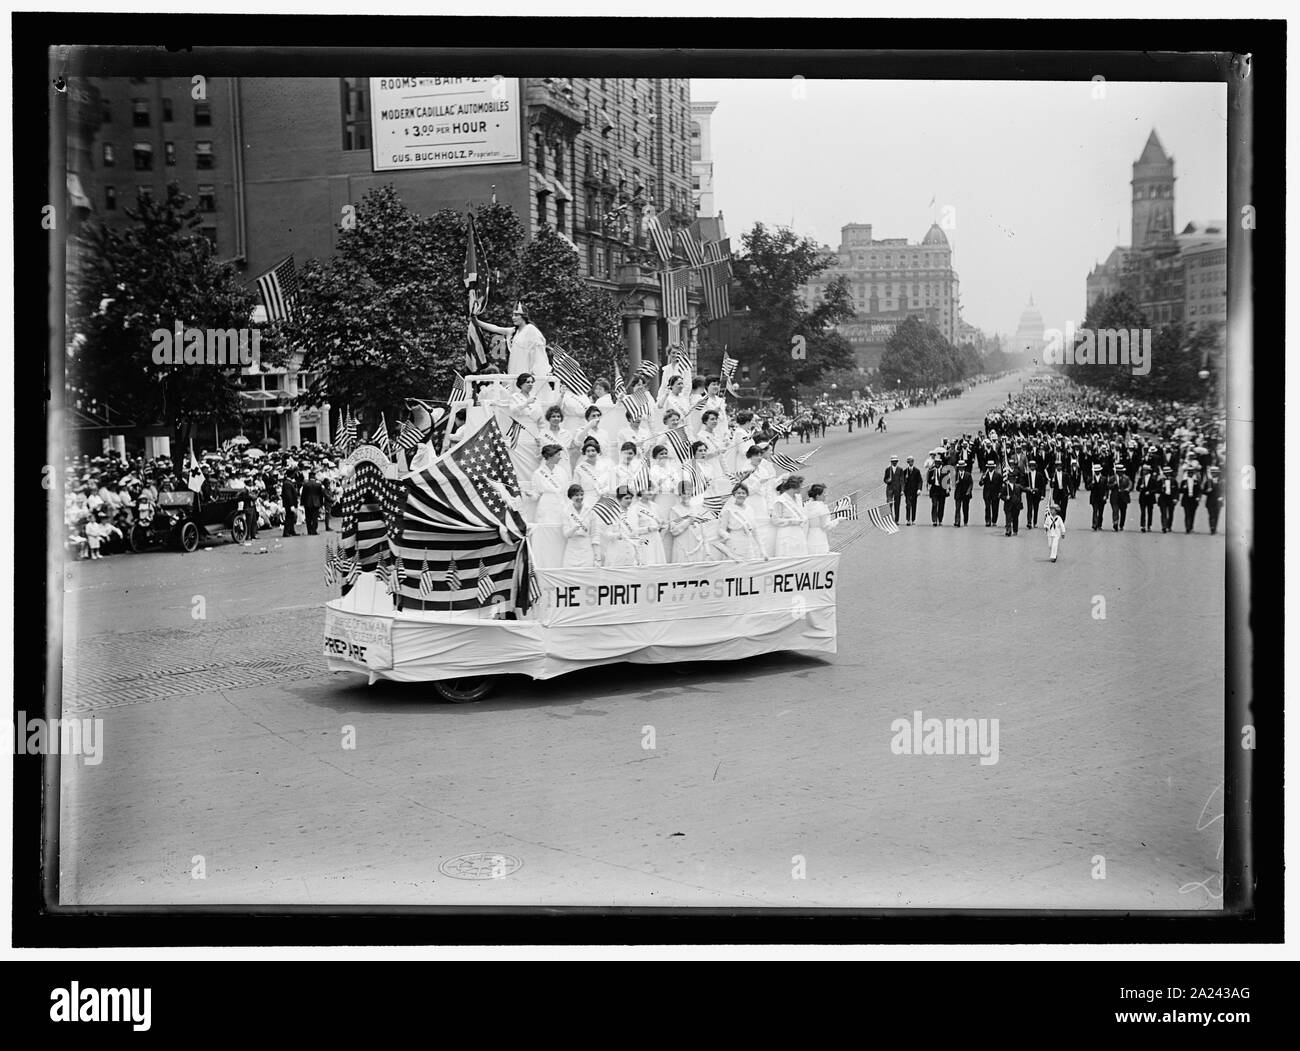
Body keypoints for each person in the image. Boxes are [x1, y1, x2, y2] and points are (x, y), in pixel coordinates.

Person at [477, 302, 551, 378]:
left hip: (526, 368)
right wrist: (476, 321)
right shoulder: (513, 331)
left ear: (523, 316)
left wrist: (536, 371)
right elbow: (495, 328)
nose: (513, 318)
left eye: (516, 315)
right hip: (514, 367)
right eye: (512, 315)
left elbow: (538, 352)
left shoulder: (531, 330)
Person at [717, 483, 768, 560]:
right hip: (734, 543)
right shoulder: (729, 510)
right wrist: (726, 536)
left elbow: (755, 531)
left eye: (743, 493)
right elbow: (721, 529)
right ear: (734, 495)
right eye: (738, 493)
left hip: (748, 543)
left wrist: (762, 550)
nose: (741, 495)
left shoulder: (750, 509)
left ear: (747, 495)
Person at [593, 487, 637, 567]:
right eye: (626, 498)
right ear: (619, 499)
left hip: (630, 552)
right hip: (616, 553)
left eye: (630, 498)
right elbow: (607, 534)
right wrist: (617, 535)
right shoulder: (612, 513)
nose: (629, 501)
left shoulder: (633, 513)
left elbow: (635, 533)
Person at [668, 481, 711, 564]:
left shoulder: (697, 509)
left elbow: (703, 530)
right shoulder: (675, 510)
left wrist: (707, 549)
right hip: (682, 547)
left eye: (689, 493)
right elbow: (674, 530)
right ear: (680, 494)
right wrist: (688, 521)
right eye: (684, 493)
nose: (686, 496)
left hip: (696, 546)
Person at [769, 476, 808, 557]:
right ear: (794, 486)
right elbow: (775, 520)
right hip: (786, 533)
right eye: (800, 486)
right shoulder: (780, 500)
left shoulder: (798, 498)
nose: (801, 488)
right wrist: (791, 521)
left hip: (798, 532)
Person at [628, 488, 667, 566]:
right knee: (648, 564)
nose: (650, 492)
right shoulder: (635, 508)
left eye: (651, 489)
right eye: (647, 490)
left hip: (656, 540)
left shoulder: (655, 506)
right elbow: (633, 530)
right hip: (645, 541)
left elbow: (663, 522)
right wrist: (648, 529)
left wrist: (661, 526)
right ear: (640, 491)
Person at [561, 484, 596, 568]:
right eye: (576, 495)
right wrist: (573, 529)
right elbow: (566, 534)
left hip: (586, 547)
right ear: (570, 497)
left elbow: (594, 533)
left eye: (581, 494)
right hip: (572, 547)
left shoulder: (589, 510)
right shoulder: (566, 511)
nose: (580, 497)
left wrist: (596, 555)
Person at [572, 439, 612, 511]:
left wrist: (604, 492)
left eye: (593, 450)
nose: (591, 453)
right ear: (585, 453)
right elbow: (576, 487)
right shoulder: (580, 468)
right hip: (587, 499)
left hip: (603, 498)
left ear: (597, 452)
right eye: (588, 451)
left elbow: (609, 482)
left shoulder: (604, 466)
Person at [804, 483, 838, 554]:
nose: (826, 495)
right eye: (824, 493)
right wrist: (838, 520)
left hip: (809, 538)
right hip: (819, 539)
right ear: (818, 495)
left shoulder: (806, 506)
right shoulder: (822, 507)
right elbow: (826, 526)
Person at [1134, 463, 1158, 533]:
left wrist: (1150, 492)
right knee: (1143, 512)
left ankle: (1149, 525)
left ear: (1148, 471)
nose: (1143, 472)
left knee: (1150, 512)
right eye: (1143, 470)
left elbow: (1156, 488)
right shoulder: (1141, 479)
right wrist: (1140, 488)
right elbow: (1137, 488)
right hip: (1143, 498)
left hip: (1150, 498)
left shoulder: (1153, 479)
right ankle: (1142, 525)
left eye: (1145, 470)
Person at [300, 470, 325, 535]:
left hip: (307, 502)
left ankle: (309, 530)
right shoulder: (318, 485)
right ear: (314, 477)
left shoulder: (305, 485)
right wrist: (321, 504)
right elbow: (321, 495)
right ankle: (314, 530)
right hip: (316, 502)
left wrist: (302, 503)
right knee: (315, 517)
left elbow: (303, 494)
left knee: (308, 517)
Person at [1023, 459, 1046, 528]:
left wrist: (1042, 495)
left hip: (1037, 493)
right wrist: (1027, 488)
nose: (1032, 467)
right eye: (1030, 466)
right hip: (1029, 493)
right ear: (1029, 467)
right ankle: (1029, 522)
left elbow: (1042, 486)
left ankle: (1035, 522)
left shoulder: (1039, 475)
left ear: (1035, 466)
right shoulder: (1027, 475)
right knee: (1029, 508)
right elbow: (1024, 484)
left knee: (1036, 508)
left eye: (1033, 466)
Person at [1048, 459, 1072, 524]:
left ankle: (1062, 521)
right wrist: (1052, 481)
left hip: (1064, 493)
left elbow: (1069, 484)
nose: (1059, 467)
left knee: (1064, 508)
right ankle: (1057, 520)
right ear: (1056, 467)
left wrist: (1070, 493)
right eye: (1057, 466)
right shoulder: (1053, 475)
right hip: (1057, 493)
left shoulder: (1065, 474)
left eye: (1060, 466)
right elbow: (1051, 485)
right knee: (1057, 508)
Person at [926, 457, 948, 527]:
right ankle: (934, 520)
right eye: (936, 463)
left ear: (940, 463)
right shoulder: (932, 471)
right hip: (934, 489)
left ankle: (940, 519)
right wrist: (931, 479)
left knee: (941, 506)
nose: (937, 464)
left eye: (938, 463)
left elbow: (947, 481)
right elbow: (928, 481)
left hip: (942, 490)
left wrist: (947, 488)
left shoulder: (944, 471)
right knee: (934, 504)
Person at [1109, 465, 1132, 531]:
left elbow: (1130, 484)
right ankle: (1115, 523)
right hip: (1115, 497)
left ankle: (1121, 524)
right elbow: (1108, 486)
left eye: (1121, 471)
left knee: (1123, 512)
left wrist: (1128, 489)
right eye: (1118, 471)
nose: (1119, 473)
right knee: (1115, 510)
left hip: (1123, 497)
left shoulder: (1126, 478)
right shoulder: (1112, 478)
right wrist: (1113, 484)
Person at [1086, 463, 1108, 531]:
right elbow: (1087, 488)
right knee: (1095, 511)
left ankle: (1099, 524)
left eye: (1098, 470)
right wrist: (1092, 484)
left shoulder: (1104, 478)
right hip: (1094, 497)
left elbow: (1106, 489)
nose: (1097, 472)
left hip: (1101, 497)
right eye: (1096, 471)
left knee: (1100, 512)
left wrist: (1106, 496)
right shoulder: (1091, 478)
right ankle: (1094, 524)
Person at [902, 454, 923, 526]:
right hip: (907, 491)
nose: (910, 462)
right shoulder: (905, 471)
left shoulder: (917, 471)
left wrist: (919, 489)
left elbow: (920, 480)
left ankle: (913, 519)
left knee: (914, 505)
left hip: (914, 491)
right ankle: (908, 519)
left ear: (913, 462)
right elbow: (903, 481)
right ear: (908, 462)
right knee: (908, 505)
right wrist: (903, 489)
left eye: (911, 461)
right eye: (909, 461)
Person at [1001, 469, 1023, 537]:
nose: (1013, 480)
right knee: (1008, 518)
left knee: (1015, 518)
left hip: (1016, 505)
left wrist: (1031, 490)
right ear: (1009, 479)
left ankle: (1015, 530)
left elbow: (1024, 489)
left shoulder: (1018, 486)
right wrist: (1005, 498)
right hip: (1008, 505)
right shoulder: (1005, 487)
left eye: (1014, 478)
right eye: (1011, 478)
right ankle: (1008, 530)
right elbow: (1001, 495)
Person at [883, 455, 904, 524]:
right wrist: (887, 481)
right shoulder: (888, 469)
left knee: (897, 505)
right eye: (893, 461)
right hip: (889, 489)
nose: (894, 462)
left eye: (895, 461)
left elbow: (902, 481)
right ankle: (890, 519)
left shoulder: (900, 470)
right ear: (891, 462)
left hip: (898, 489)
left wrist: (902, 490)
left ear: (897, 462)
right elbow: (885, 479)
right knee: (889, 504)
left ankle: (896, 520)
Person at [981, 459, 1002, 527]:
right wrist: (982, 479)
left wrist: (1000, 493)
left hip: (995, 493)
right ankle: (988, 521)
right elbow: (980, 484)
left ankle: (994, 520)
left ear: (993, 467)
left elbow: (1000, 485)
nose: (990, 468)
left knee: (995, 507)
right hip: (987, 493)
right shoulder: (985, 474)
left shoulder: (998, 475)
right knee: (987, 507)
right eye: (989, 467)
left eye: (991, 467)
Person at [952, 460, 974, 527]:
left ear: (964, 467)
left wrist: (968, 491)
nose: (961, 468)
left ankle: (965, 521)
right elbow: (952, 484)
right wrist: (955, 483)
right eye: (960, 467)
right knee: (957, 508)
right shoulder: (956, 475)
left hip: (965, 494)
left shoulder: (968, 475)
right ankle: (957, 521)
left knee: (965, 508)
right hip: (958, 494)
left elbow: (971, 484)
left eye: (962, 467)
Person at [1157, 465, 1178, 533]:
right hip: (1163, 498)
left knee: (1171, 513)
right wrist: (1161, 488)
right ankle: (1164, 526)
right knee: (1163, 513)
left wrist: (1175, 498)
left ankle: (1169, 526)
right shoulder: (1161, 481)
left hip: (1171, 498)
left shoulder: (1174, 480)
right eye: (1166, 473)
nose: (1167, 474)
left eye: (1168, 473)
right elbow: (1156, 489)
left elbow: (1176, 491)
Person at [1202, 465, 1222, 535]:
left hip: (1218, 501)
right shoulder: (1208, 482)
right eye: (1212, 472)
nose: (1213, 474)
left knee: (1216, 515)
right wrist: (1207, 491)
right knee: (1211, 515)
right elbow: (1203, 491)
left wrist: (1221, 497)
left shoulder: (1221, 482)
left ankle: (1215, 527)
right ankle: (1212, 528)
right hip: (1210, 501)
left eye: (1215, 472)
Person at [280, 473, 300, 537]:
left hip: (290, 503)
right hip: (289, 504)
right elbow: (289, 495)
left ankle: (291, 530)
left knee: (291, 517)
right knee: (288, 518)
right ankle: (286, 532)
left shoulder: (288, 482)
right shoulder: (287, 483)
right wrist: (291, 505)